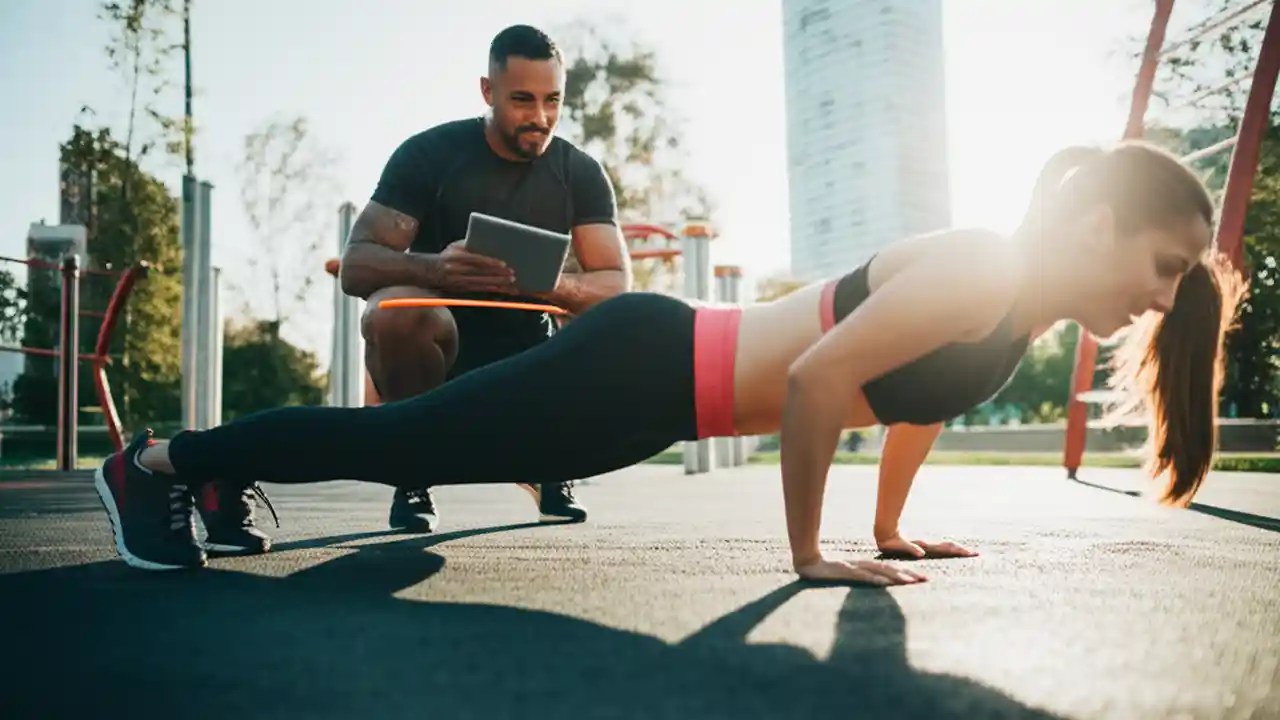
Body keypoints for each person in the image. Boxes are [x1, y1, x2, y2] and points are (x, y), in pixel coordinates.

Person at [94, 141, 1245, 582]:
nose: (1157, 297)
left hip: (652, 400)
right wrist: (810, 557)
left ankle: (191, 467)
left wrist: (889, 528)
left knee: (422, 449)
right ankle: (158, 460)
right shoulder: (986, 270)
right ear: (1097, 224)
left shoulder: (1013, 307)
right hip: (642, 364)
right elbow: (813, 386)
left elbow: (910, 402)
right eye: (1159, 266)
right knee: (402, 441)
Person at [194, 24, 633, 551]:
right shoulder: (430, 155)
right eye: (522, 100)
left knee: (616, 331)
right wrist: (436, 271)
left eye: (552, 100)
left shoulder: (578, 172)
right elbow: (356, 266)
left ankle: (546, 465)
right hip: (434, 352)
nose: (539, 117)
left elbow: (615, 286)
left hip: (527, 354)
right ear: (487, 92)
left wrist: (547, 286)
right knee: (394, 310)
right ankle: (413, 472)